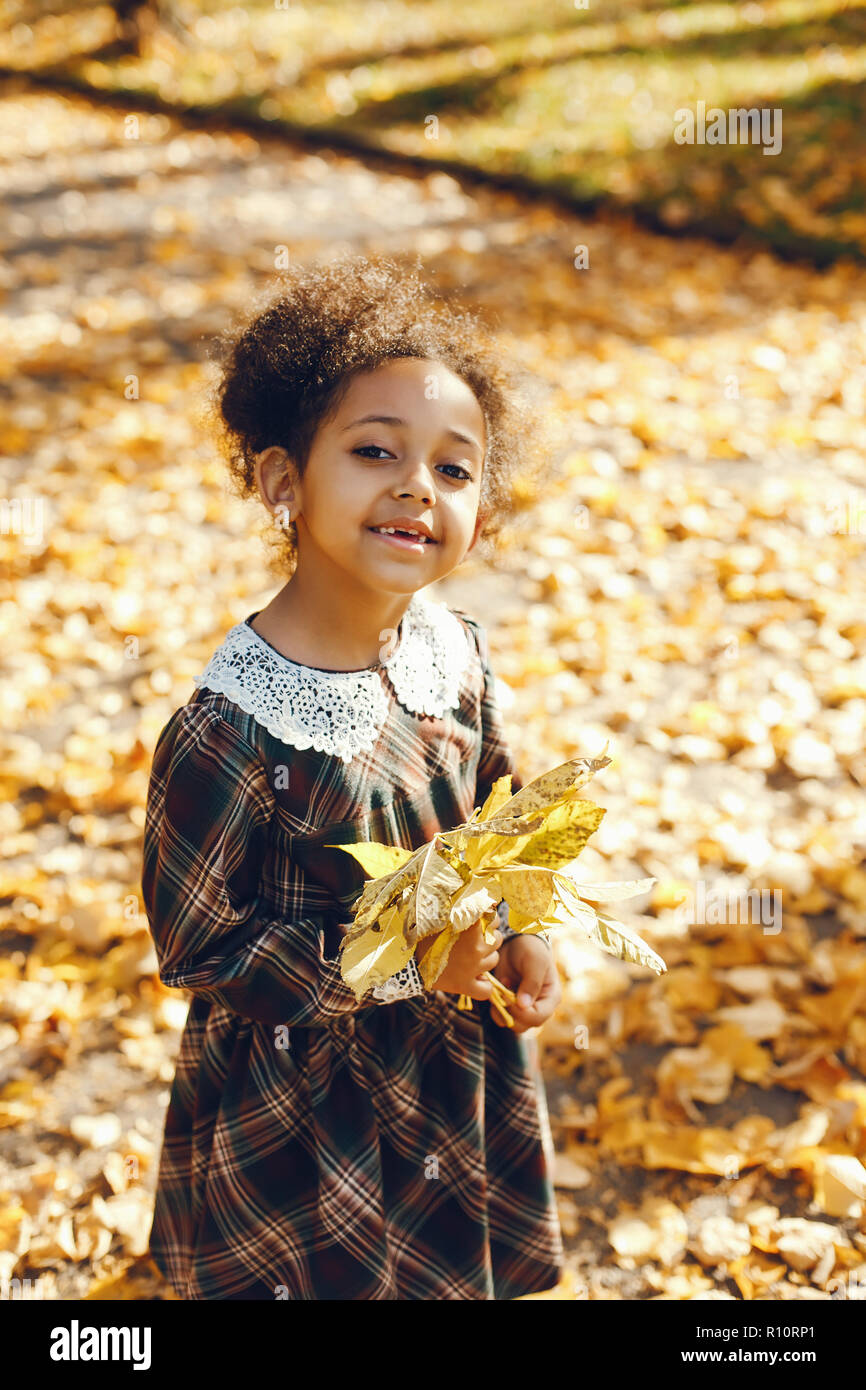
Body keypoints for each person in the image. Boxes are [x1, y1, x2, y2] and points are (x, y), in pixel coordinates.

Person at [141, 254, 565, 1300]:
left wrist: (525, 920)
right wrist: (409, 960)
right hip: (301, 1101)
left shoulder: (453, 655)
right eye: (375, 451)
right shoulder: (229, 729)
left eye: (453, 469)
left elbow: (501, 807)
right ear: (281, 480)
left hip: (447, 1063)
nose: (417, 486)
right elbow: (201, 948)